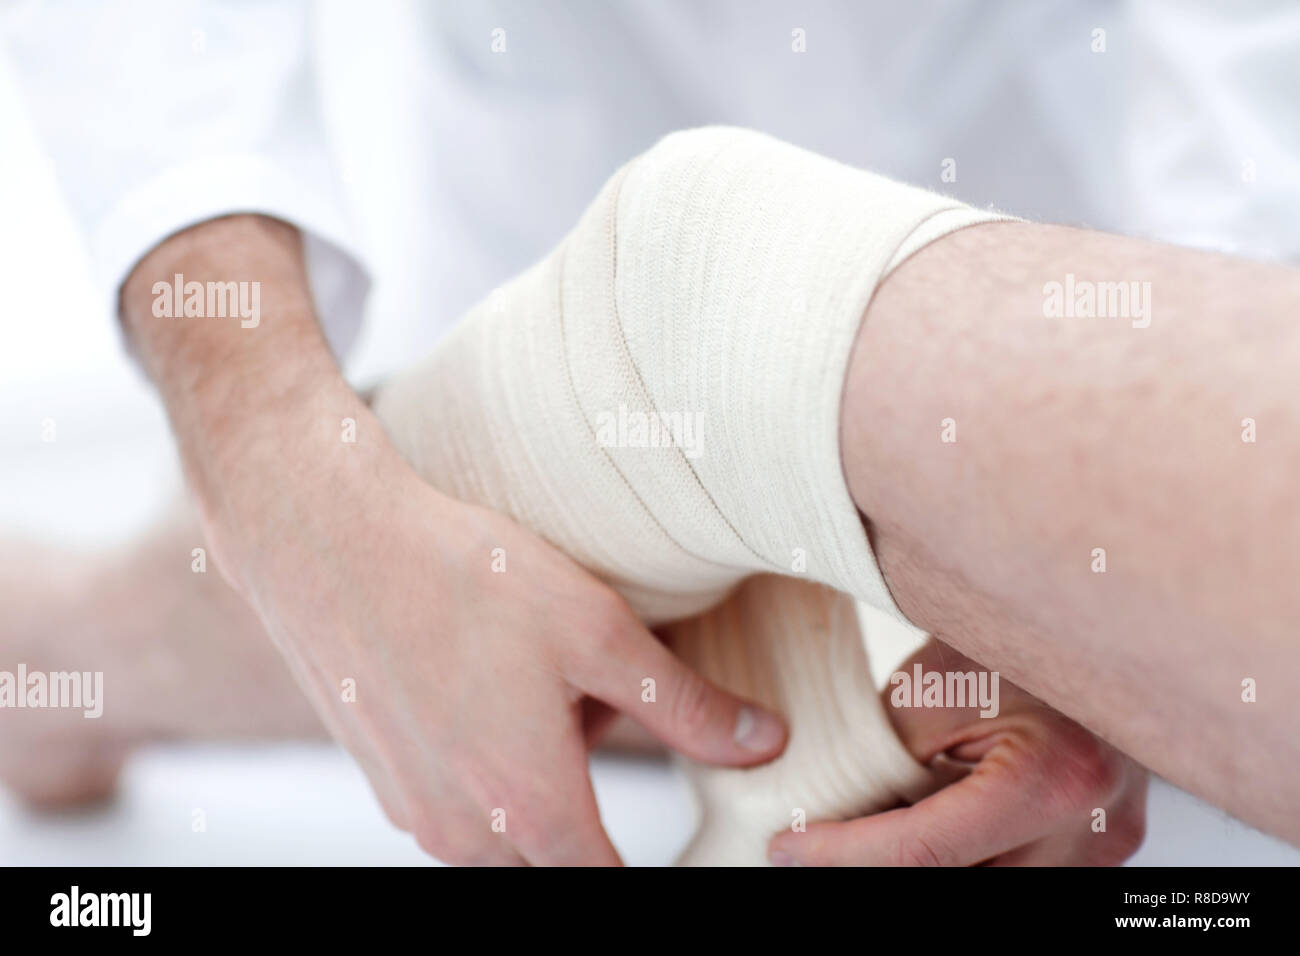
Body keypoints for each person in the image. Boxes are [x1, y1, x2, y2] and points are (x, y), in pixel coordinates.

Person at [3, 0, 1296, 864]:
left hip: (1081, 222)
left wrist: (1095, 592)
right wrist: (270, 445)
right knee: (496, 548)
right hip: (600, 196)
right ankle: (57, 650)